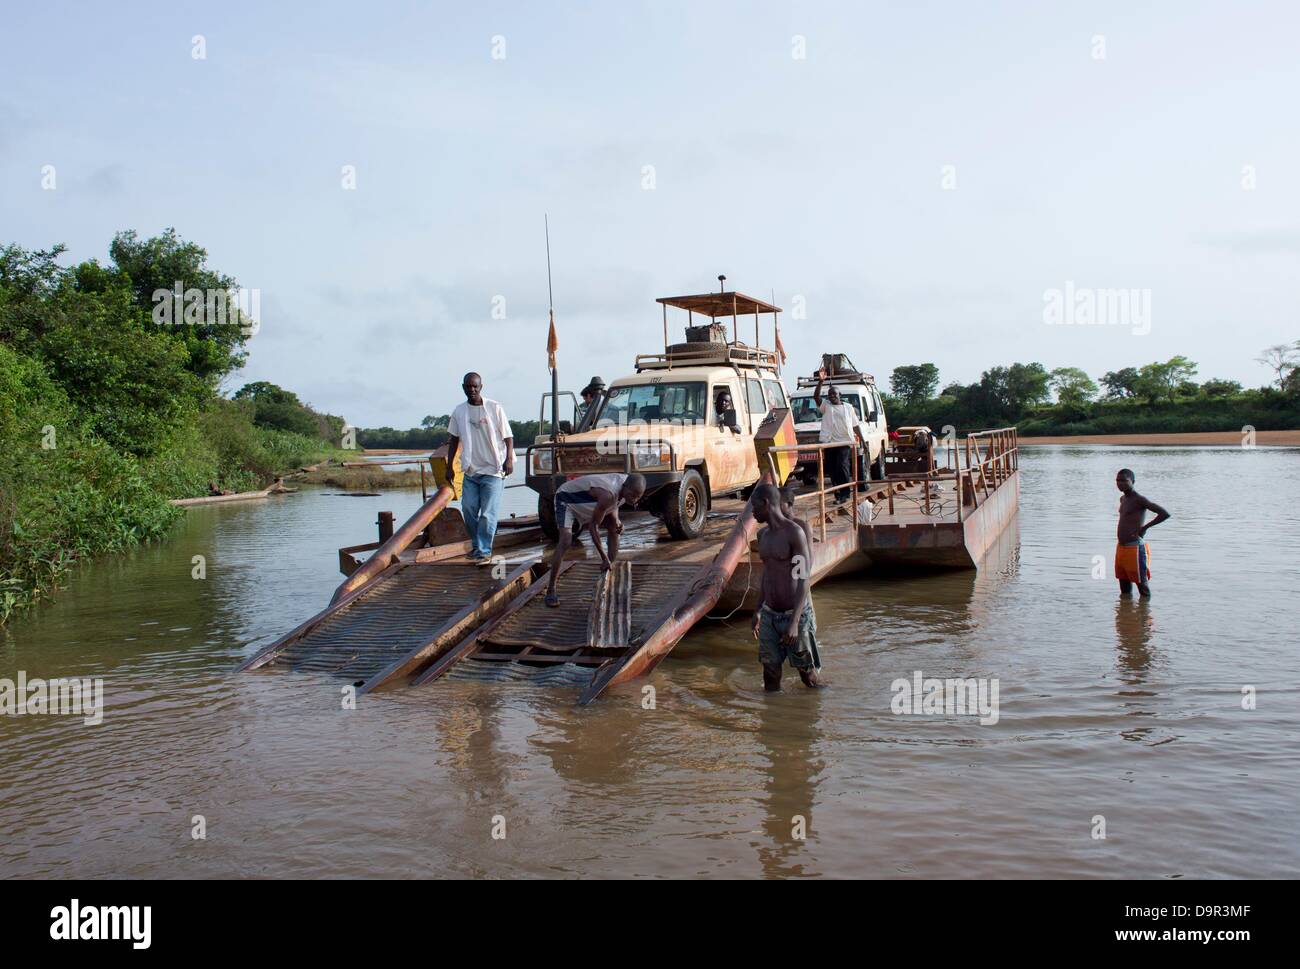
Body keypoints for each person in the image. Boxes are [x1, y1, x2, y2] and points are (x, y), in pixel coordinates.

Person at [751, 483, 824, 691]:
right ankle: (773, 720)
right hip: (769, 615)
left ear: (766, 504)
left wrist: (794, 622)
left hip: (795, 615)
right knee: (770, 675)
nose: (752, 512)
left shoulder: (795, 533)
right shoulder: (762, 536)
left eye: (755, 506)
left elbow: (803, 579)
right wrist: (757, 610)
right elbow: (767, 575)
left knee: (807, 676)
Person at [544, 472, 646, 606]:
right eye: (633, 495)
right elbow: (593, 527)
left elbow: (615, 503)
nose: (635, 500)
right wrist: (603, 557)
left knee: (615, 529)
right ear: (625, 487)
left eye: (638, 497)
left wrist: (616, 520)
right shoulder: (608, 494)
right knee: (566, 540)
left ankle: (608, 573)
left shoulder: (625, 487)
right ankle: (551, 589)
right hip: (567, 500)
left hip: (591, 505)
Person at [446, 372, 513, 565]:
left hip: (493, 470)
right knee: (468, 508)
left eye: (475, 386)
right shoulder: (459, 411)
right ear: (463, 387)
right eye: (468, 387)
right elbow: (453, 440)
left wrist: (508, 459)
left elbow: (508, 436)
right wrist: (450, 467)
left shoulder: (494, 407)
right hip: (471, 470)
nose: (472, 390)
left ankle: (484, 551)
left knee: (487, 513)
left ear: (481, 387)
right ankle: (477, 546)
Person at [1114, 468, 1171, 598]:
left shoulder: (1139, 499)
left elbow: (1164, 514)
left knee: (1142, 586)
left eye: (1124, 480)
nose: (1120, 483)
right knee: (1124, 586)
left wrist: (1145, 528)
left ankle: (1144, 615)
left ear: (1133, 481)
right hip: (1121, 548)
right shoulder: (1123, 499)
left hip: (1134, 547)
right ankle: (1126, 614)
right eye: (1118, 480)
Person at [812, 367, 860, 504]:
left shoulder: (848, 408)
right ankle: (838, 495)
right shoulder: (826, 406)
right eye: (830, 395)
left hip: (844, 442)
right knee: (832, 470)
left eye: (834, 394)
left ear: (840, 395)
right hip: (829, 442)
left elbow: (855, 425)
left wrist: (862, 440)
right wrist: (820, 382)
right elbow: (816, 397)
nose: (832, 396)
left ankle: (845, 492)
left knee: (842, 466)